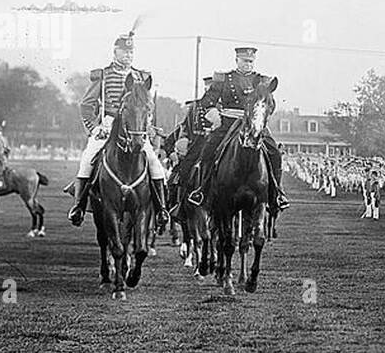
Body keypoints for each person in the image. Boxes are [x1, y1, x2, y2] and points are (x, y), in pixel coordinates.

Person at [68, 33, 169, 225]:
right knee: (88, 158)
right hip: (108, 122)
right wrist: (94, 128)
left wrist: (147, 125)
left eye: (131, 52)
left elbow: (147, 106)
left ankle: (161, 209)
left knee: (155, 164)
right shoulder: (104, 75)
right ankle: (78, 207)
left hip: (133, 126)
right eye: (124, 52)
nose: (128, 56)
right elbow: (86, 105)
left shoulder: (141, 76)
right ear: (115, 52)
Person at [187, 46, 288, 215]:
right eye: (245, 61)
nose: (248, 64)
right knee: (208, 151)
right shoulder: (224, 78)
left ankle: (277, 193)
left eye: (251, 61)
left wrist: (262, 114)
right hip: (228, 121)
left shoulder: (263, 81)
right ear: (237, 60)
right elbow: (207, 101)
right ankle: (202, 190)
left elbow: (271, 103)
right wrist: (213, 112)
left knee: (275, 153)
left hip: (254, 123)